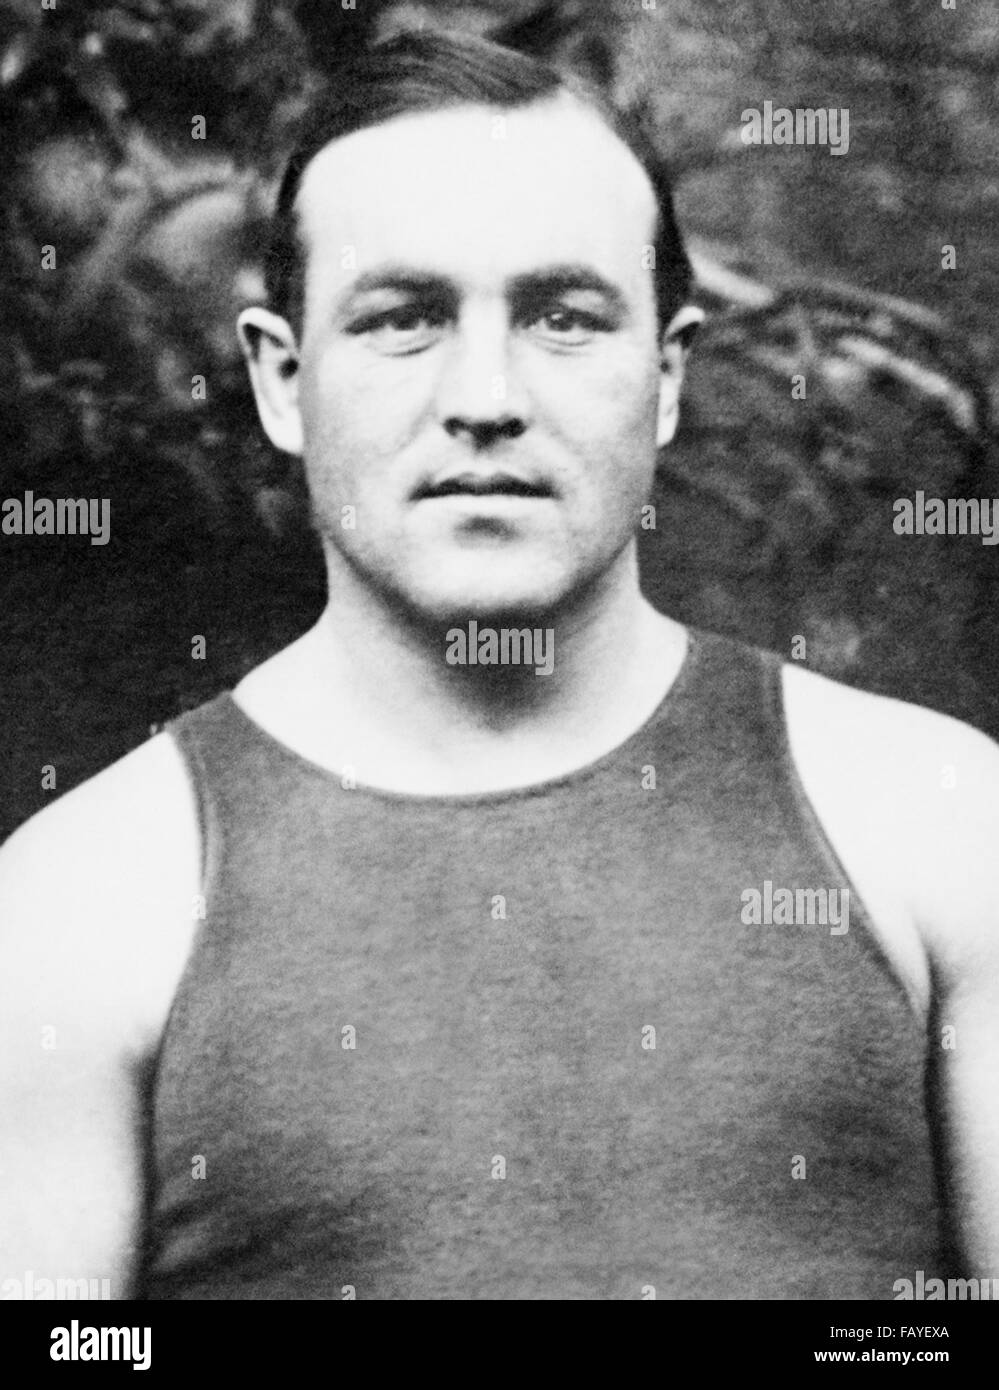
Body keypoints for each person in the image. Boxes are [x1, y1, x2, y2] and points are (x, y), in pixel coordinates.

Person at [1, 28, 997, 1303]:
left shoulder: (939, 821)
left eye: (564, 317)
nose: (487, 395)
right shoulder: (76, 906)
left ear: (669, 376)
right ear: (284, 383)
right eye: (405, 318)